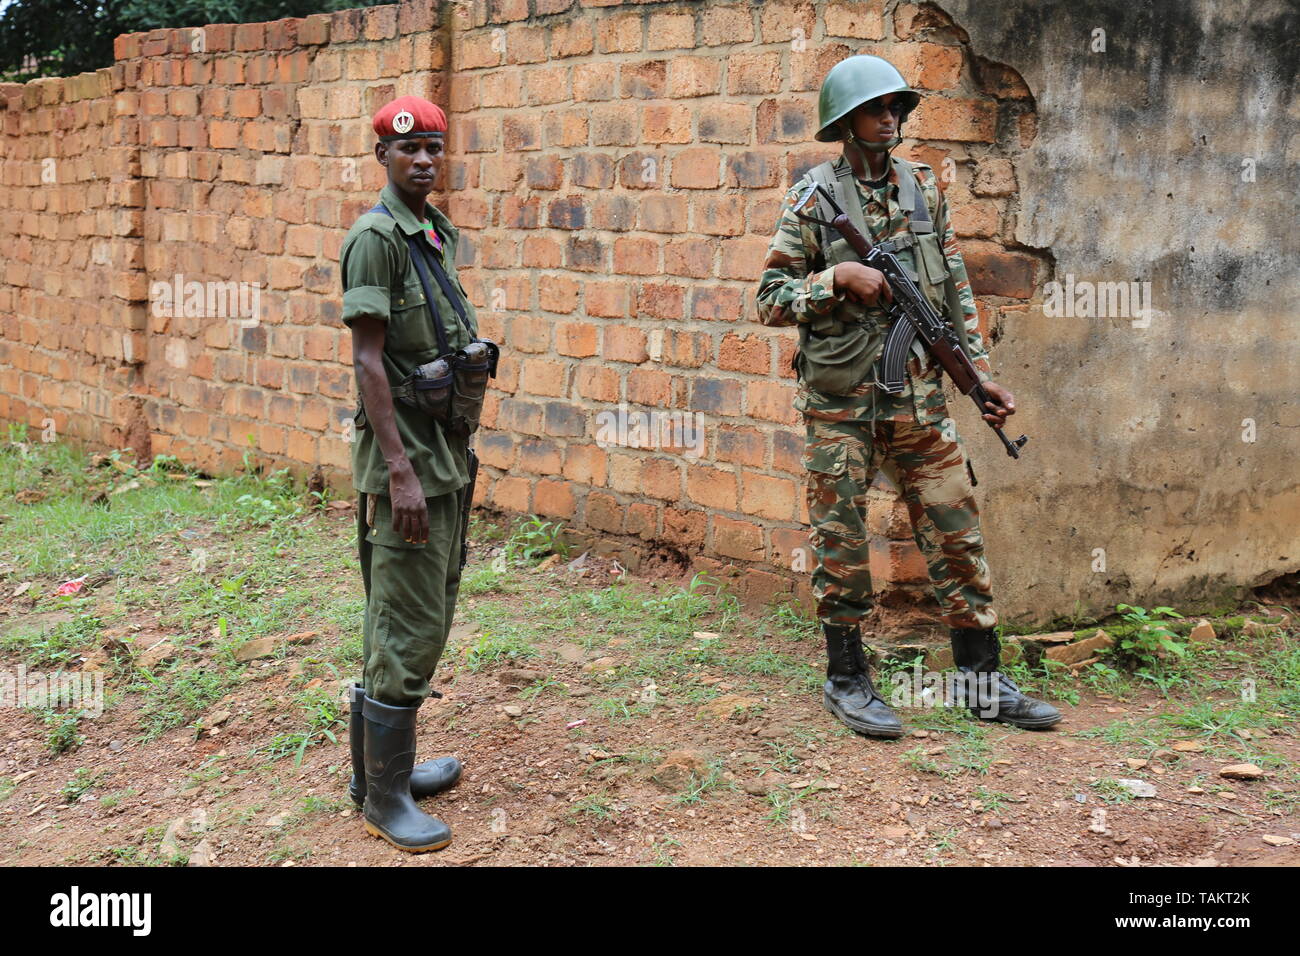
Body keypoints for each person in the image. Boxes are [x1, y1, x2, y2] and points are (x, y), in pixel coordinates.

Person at [755, 55, 1061, 738]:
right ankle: (847, 679)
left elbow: (953, 291)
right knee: (840, 538)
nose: (889, 118)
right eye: (875, 108)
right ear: (845, 122)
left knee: (957, 527)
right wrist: (836, 279)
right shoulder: (814, 197)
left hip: (919, 397)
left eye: (896, 106)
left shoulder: (924, 187)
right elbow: (769, 300)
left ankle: (982, 681)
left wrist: (978, 378)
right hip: (841, 406)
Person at [338, 94, 482, 851]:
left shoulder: (431, 230)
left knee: (421, 609)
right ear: (382, 158)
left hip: (443, 451)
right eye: (408, 150)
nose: (423, 159)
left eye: (432, 147)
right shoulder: (376, 239)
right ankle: (384, 800)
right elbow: (367, 360)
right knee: (408, 619)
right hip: (408, 460)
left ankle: (377, 773)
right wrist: (397, 472)